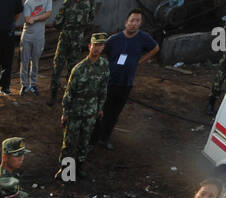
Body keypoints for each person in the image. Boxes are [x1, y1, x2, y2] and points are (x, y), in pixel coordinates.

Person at [91, 11, 159, 149]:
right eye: (132, 20)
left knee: (115, 113)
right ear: (126, 22)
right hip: (109, 81)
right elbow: (98, 52)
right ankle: (93, 140)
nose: (134, 24)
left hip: (126, 83)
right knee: (101, 111)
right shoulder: (114, 39)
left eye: (137, 21)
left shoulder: (143, 38)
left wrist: (139, 62)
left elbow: (155, 48)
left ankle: (105, 138)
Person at [56, 33, 110, 182]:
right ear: (89, 46)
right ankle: (67, 172)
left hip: (91, 112)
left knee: (84, 142)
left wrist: (100, 107)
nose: (98, 48)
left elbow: (103, 89)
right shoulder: (78, 69)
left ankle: (79, 168)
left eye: (101, 45)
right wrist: (65, 113)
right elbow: (69, 93)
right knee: (69, 143)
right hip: (75, 112)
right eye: (95, 45)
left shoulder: (104, 66)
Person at [50, 0, 97, 104]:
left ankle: (69, 94)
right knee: (58, 65)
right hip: (65, 38)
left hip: (77, 39)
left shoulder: (90, 3)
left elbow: (91, 19)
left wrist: (79, 28)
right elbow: (58, 20)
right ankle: (53, 94)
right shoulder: (68, 2)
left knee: (73, 68)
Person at [0, 0, 24, 93]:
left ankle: (5, 87)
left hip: (9, 35)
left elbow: (18, 13)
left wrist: (9, 25)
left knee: (7, 62)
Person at [19, 0, 53, 94]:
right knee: (25, 60)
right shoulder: (28, 3)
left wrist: (35, 18)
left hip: (39, 36)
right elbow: (28, 19)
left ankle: (33, 84)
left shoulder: (47, 1)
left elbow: (48, 14)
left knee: (35, 61)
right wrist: (39, 17)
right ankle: (24, 85)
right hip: (27, 36)